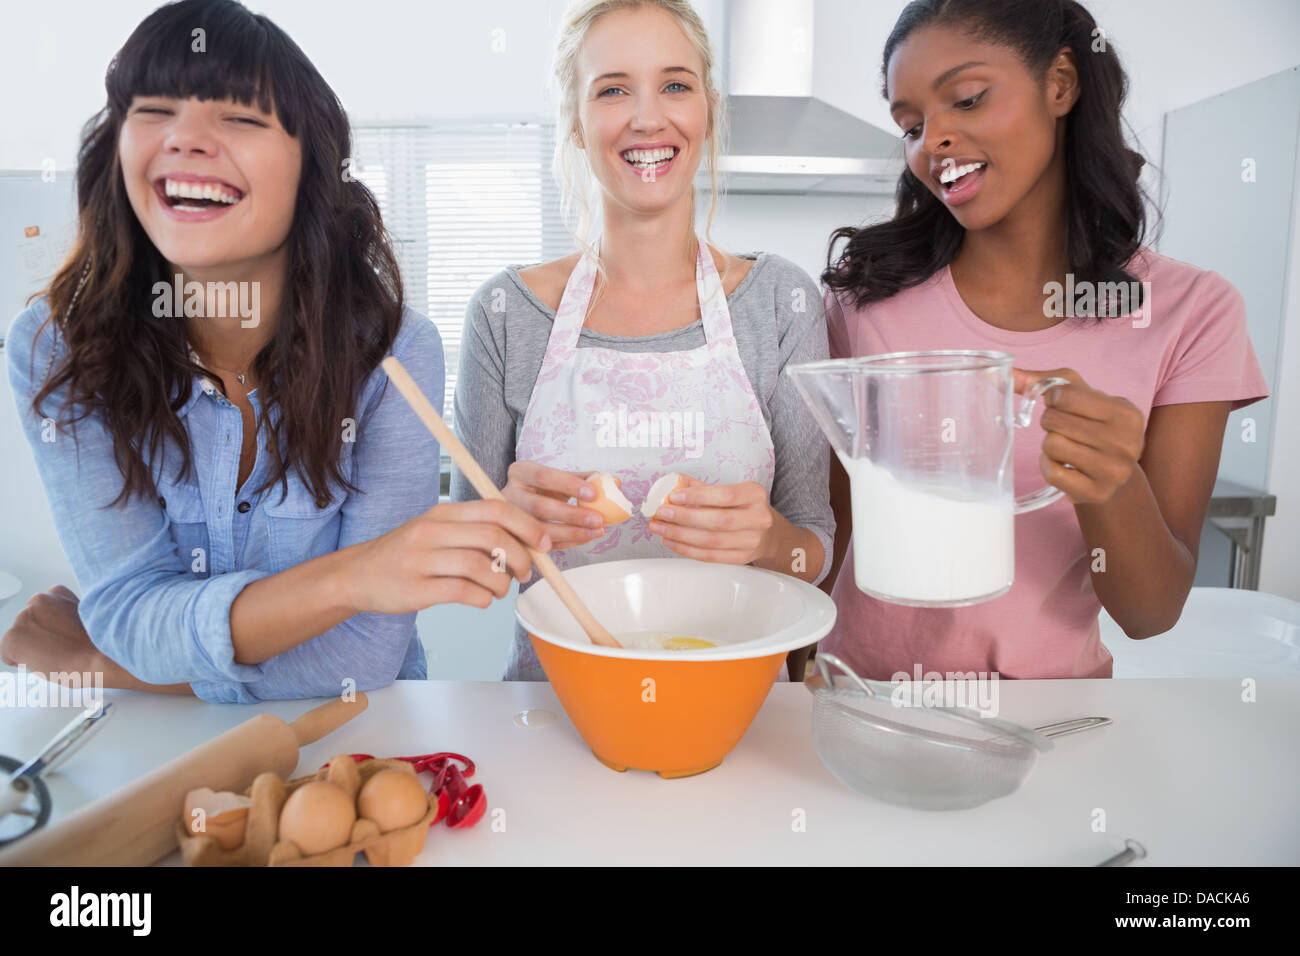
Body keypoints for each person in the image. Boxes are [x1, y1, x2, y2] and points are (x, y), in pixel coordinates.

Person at [3, 0, 548, 702]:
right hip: (154, 751)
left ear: (310, 174)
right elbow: (130, 613)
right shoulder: (56, 351)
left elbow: (364, 661)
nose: (186, 139)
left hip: (357, 739)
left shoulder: (393, 355)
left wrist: (110, 667)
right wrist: (354, 577)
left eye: (240, 118)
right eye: (155, 110)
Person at [818, 0, 1269, 680]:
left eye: (966, 100)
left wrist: (1110, 484)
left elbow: (1150, 612)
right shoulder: (865, 297)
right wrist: (787, 680)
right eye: (910, 125)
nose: (931, 141)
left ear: (1060, 84)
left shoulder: (1193, 312)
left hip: (1054, 723)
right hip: (863, 701)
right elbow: (831, 535)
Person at [451, 0, 835, 681]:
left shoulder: (782, 303)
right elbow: (472, 570)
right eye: (613, 89)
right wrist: (508, 529)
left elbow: (815, 550)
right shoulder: (506, 314)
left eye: (675, 85)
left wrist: (770, 538)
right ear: (574, 119)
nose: (648, 117)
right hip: (553, 711)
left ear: (708, 110)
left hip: (737, 711)